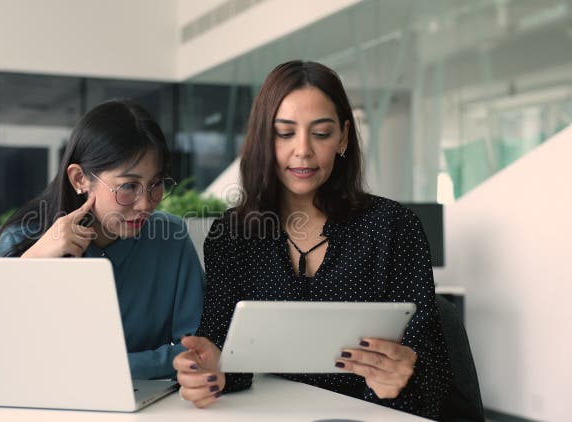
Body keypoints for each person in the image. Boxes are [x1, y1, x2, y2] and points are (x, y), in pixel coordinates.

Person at [173, 61, 451, 419]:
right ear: (263, 139)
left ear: (344, 138)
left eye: (321, 133)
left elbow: (437, 371)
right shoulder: (233, 234)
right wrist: (212, 368)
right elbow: (228, 355)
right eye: (285, 133)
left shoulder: (393, 227)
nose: (303, 150)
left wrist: (409, 371)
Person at [0, 99, 204, 380]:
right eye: (128, 186)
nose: (145, 203)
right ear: (79, 179)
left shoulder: (171, 240)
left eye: (156, 184)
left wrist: (98, 369)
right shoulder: (23, 240)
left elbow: (198, 350)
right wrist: (31, 263)